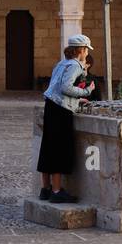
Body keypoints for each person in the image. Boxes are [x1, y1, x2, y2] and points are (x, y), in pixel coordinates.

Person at [37, 35, 92, 204]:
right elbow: (66, 87)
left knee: (48, 146)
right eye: (86, 50)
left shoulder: (61, 63)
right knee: (59, 148)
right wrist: (86, 91)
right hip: (61, 110)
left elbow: (56, 87)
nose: (87, 54)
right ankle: (57, 190)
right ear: (81, 50)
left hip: (51, 106)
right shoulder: (75, 65)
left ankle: (45, 189)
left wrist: (77, 99)